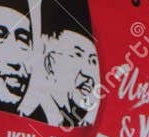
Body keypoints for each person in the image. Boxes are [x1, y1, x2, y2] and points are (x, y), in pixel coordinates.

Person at [33, 0, 101, 128]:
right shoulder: (33, 119)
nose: (88, 72)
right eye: (78, 55)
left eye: (93, 61)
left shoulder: (86, 126)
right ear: (50, 62)